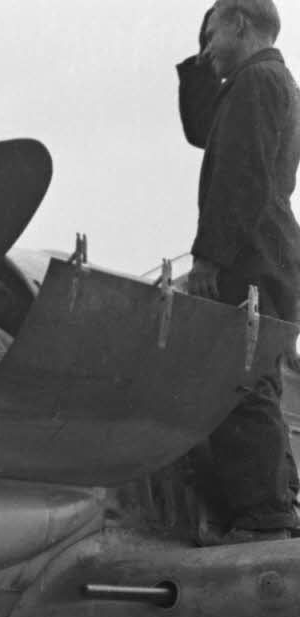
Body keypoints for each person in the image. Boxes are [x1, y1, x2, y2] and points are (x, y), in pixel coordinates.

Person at [181, 0, 300, 543]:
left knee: (242, 379)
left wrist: (211, 254)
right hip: (271, 252)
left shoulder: (256, 83)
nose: (206, 49)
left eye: (210, 36)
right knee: (258, 379)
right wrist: (200, 69)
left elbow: (240, 173)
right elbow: (206, 132)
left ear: (237, 23)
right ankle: (275, 503)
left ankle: (263, 517)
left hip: (249, 255)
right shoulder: (272, 81)